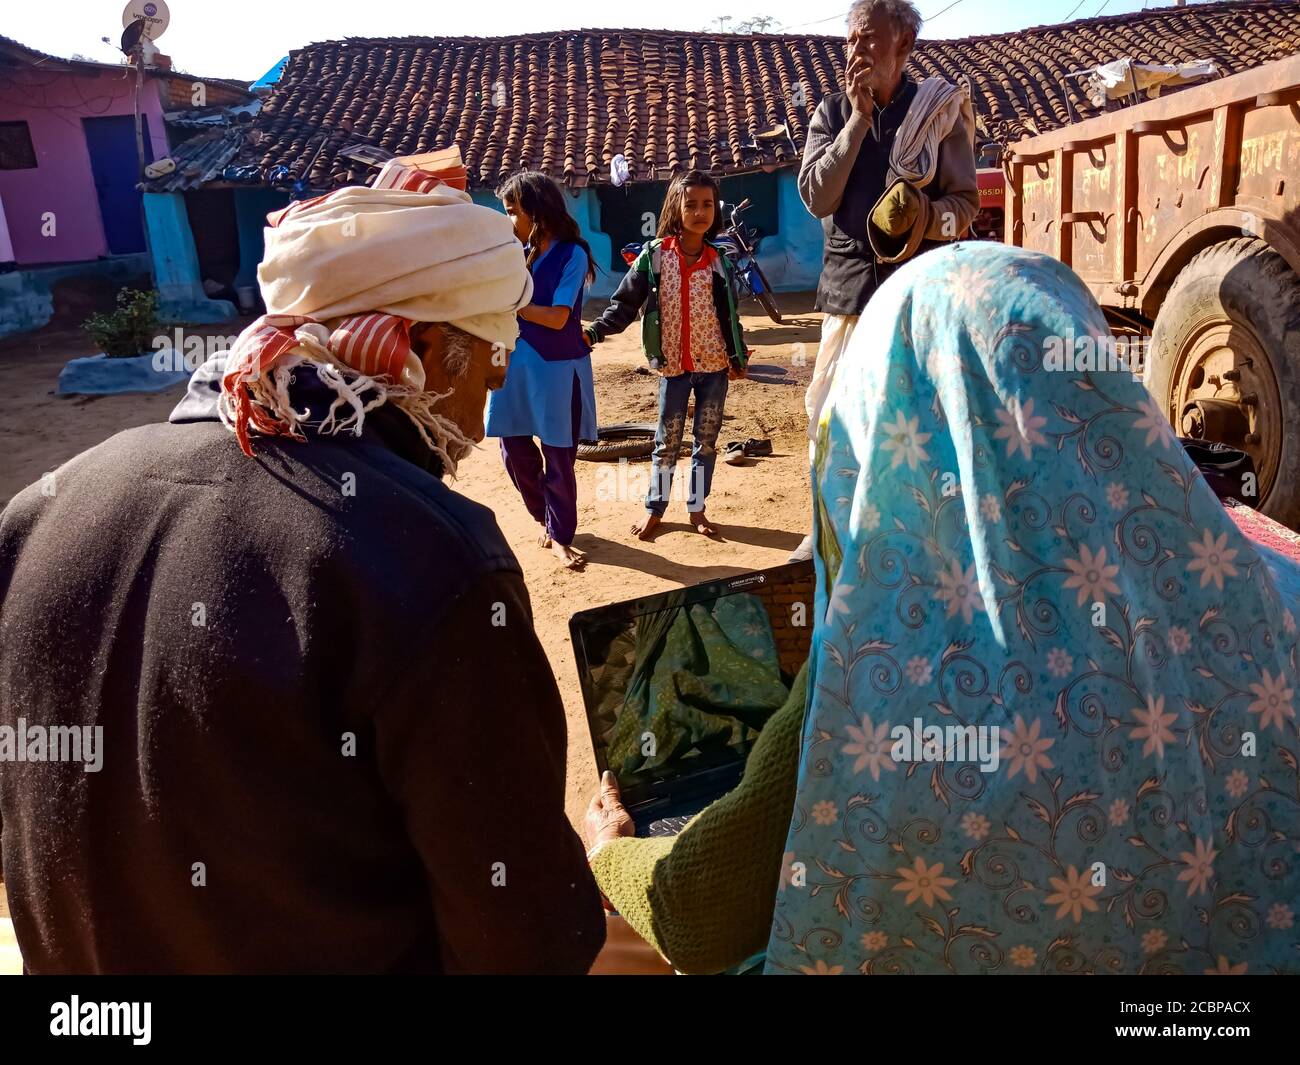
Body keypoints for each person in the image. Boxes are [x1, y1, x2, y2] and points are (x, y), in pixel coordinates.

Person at [584, 242, 1300, 976]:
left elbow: (695, 912)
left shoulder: (865, 679)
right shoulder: (1262, 602)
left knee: (613, 950)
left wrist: (612, 850)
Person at [0, 179, 606, 974]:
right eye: (487, 376)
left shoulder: (41, 511)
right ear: (420, 349)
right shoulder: (431, 557)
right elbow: (526, 944)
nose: (480, 420)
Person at [790, 0, 979, 562]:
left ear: (904, 44)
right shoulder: (829, 113)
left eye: (868, 40)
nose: (855, 51)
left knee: (914, 417)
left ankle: (914, 535)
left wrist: (923, 215)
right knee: (829, 413)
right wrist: (857, 122)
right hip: (848, 293)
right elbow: (818, 196)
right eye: (850, 40)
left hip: (917, 293)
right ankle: (824, 527)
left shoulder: (940, 113)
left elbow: (964, 206)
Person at [584, 170, 748, 541]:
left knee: (706, 440)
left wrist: (737, 358)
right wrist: (594, 331)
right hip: (673, 368)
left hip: (714, 367)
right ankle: (655, 509)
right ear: (675, 207)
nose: (700, 212)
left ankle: (697, 509)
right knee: (666, 442)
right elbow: (624, 305)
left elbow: (730, 315)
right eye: (691, 204)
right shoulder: (655, 257)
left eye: (707, 204)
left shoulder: (719, 259)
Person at [488, 171, 600, 570]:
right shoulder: (514, 254)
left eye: (512, 211)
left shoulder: (573, 255)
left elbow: (556, 318)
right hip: (514, 367)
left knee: (558, 457)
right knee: (513, 449)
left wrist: (510, 301)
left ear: (535, 210)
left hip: (557, 369)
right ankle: (544, 519)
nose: (508, 221)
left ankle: (561, 535)